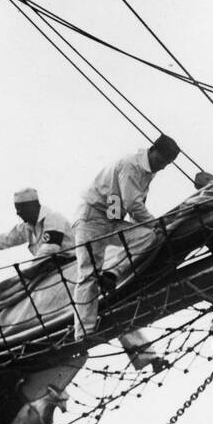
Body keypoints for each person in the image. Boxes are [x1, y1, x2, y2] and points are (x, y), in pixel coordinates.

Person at [71, 134, 179, 345]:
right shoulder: (131, 165)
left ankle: (112, 272)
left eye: (167, 164)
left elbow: (133, 205)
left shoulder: (148, 170)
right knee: (88, 275)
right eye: (163, 161)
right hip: (91, 219)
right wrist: (157, 223)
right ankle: (83, 335)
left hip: (111, 220)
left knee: (147, 236)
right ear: (153, 150)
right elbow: (133, 204)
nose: (163, 167)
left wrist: (150, 227)